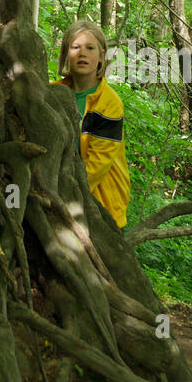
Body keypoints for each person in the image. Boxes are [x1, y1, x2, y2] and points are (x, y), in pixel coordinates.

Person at [55, 18, 130, 229]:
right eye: (75, 47)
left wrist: (66, 196)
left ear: (101, 56)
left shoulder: (108, 103)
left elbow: (98, 165)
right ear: (66, 54)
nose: (82, 53)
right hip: (62, 198)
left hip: (101, 204)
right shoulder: (53, 93)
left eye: (90, 48)